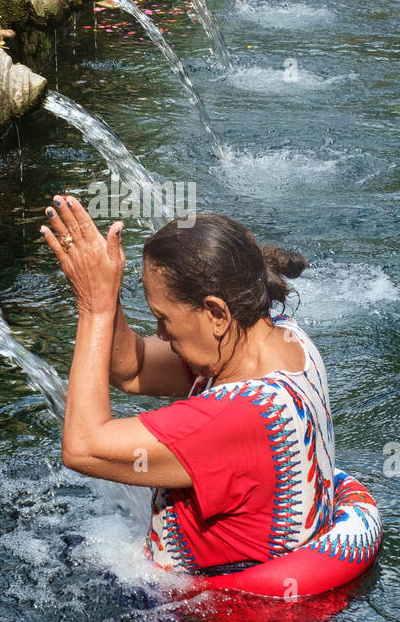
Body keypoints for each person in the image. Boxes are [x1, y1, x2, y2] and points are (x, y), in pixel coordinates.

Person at [40, 200, 344, 577]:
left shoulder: (234, 418)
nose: (161, 334)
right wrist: (106, 288)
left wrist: (94, 308)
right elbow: (129, 368)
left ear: (216, 313)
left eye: (163, 319)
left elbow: (82, 447)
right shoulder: (282, 340)